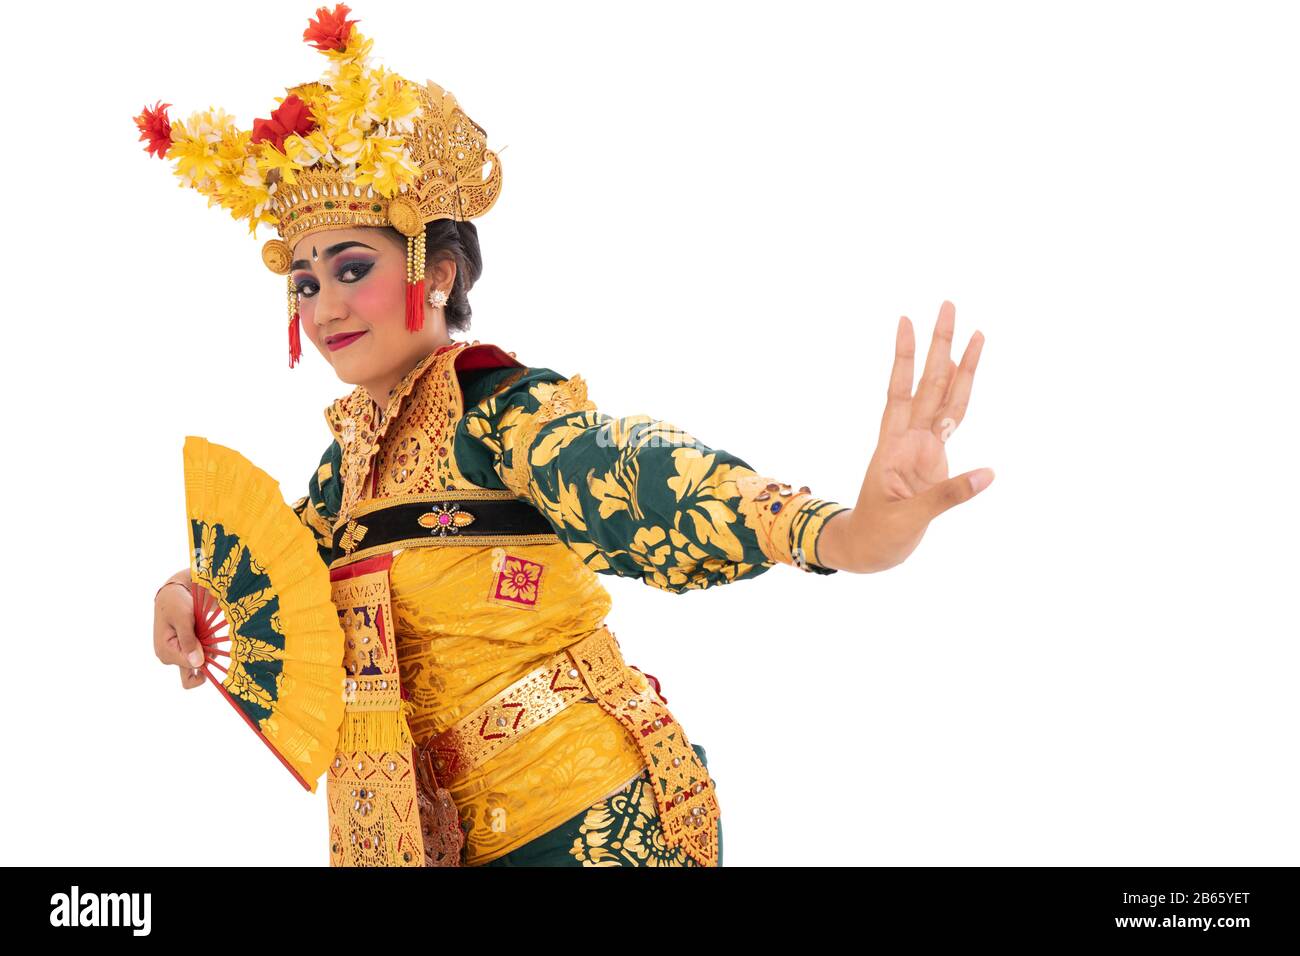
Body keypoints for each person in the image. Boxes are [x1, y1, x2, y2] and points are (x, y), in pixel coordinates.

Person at [144, 4, 993, 867]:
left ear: (435, 274)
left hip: (593, 821)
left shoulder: (501, 409)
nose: (323, 305)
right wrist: (190, 595)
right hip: (448, 841)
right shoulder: (346, 470)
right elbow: (276, 579)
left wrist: (843, 534)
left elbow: (633, 475)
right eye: (303, 281)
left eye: (352, 268)